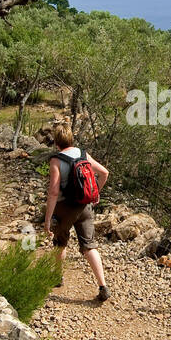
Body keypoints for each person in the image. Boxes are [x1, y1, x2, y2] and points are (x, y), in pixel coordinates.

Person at [44, 124, 110, 302]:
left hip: (64, 208)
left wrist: (48, 219)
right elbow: (104, 173)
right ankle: (103, 286)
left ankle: (58, 277)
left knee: (60, 242)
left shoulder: (56, 161)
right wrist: (95, 193)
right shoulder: (83, 154)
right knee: (89, 246)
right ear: (71, 139)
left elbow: (54, 192)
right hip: (84, 207)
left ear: (56, 143)